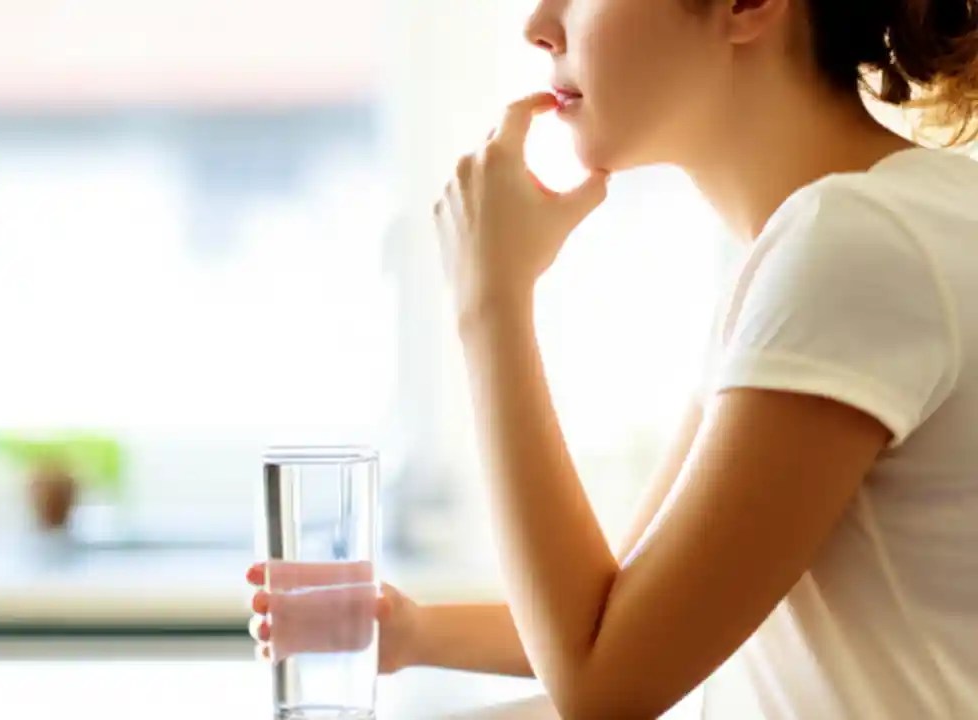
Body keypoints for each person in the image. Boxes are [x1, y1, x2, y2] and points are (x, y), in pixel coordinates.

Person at [249, 0, 978, 716]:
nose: (538, 25)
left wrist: (491, 300)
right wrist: (408, 630)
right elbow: (618, 613)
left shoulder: (853, 246)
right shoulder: (861, 230)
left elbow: (604, 685)